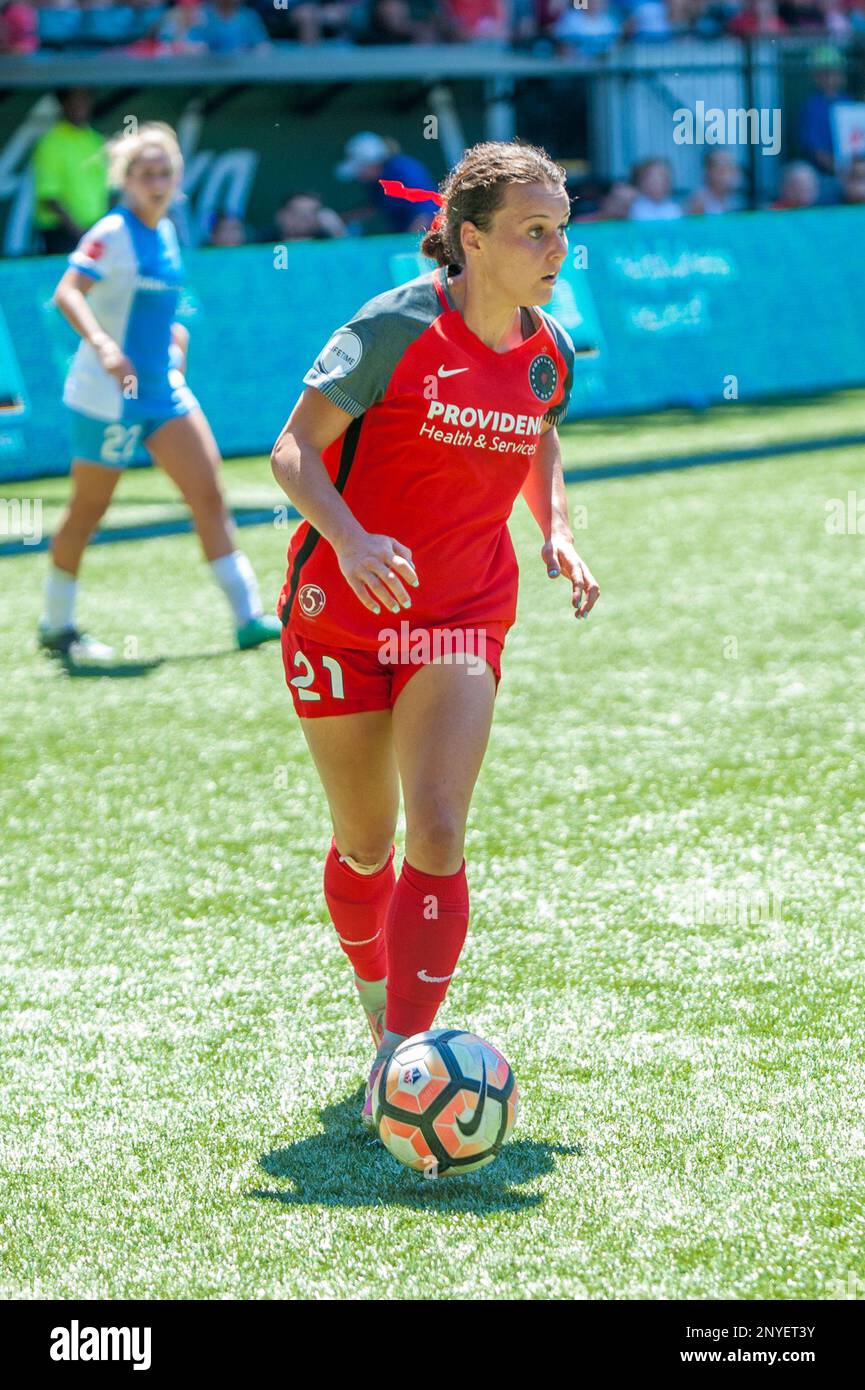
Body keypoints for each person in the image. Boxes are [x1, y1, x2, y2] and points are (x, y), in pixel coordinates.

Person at [270, 139, 600, 1131]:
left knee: (441, 827)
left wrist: (558, 529)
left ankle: (397, 1052)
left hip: (460, 617)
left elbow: (538, 428)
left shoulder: (550, 350)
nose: (554, 250)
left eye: (561, 230)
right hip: (341, 613)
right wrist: (352, 536)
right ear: (469, 239)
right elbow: (292, 450)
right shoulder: (394, 327)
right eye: (532, 232)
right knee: (366, 846)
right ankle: (379, 1005)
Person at [40, 121, 281, 661]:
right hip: (106, 396)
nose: (156, 181)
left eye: (165, 171)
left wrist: (173, 337)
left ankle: (247, 618)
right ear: (125, 179)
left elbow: (155, 306)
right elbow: (67, 292)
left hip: (163, 392)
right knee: (88, 510)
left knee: (209, 493)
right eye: (145, 172)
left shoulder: (168, 230)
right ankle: (57, 626)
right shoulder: (111, 232)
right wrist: (103, 345)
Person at [32, 89, 109, 256]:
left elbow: (107, 188)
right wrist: (79, 232)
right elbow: (48, 196)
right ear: (63, 105)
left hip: (94, 232)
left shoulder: (95, 140)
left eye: (84, 100)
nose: (80, 107)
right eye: (75, 101)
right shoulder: (50, 142)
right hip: (61, 235)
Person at [334, 131, 439, 234]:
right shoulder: (377, 182)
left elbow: (425, 215)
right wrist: (340, 220)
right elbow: (372, 207)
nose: (359, 177)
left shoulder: (404, 171)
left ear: (372, 164)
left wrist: (407, 246)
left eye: (359, 171)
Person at [684, 149, 744, 215]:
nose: (729, 174)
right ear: (708, 172)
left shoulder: (734, 200)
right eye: (722, 169)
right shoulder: (698, 203)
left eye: (731, 167)